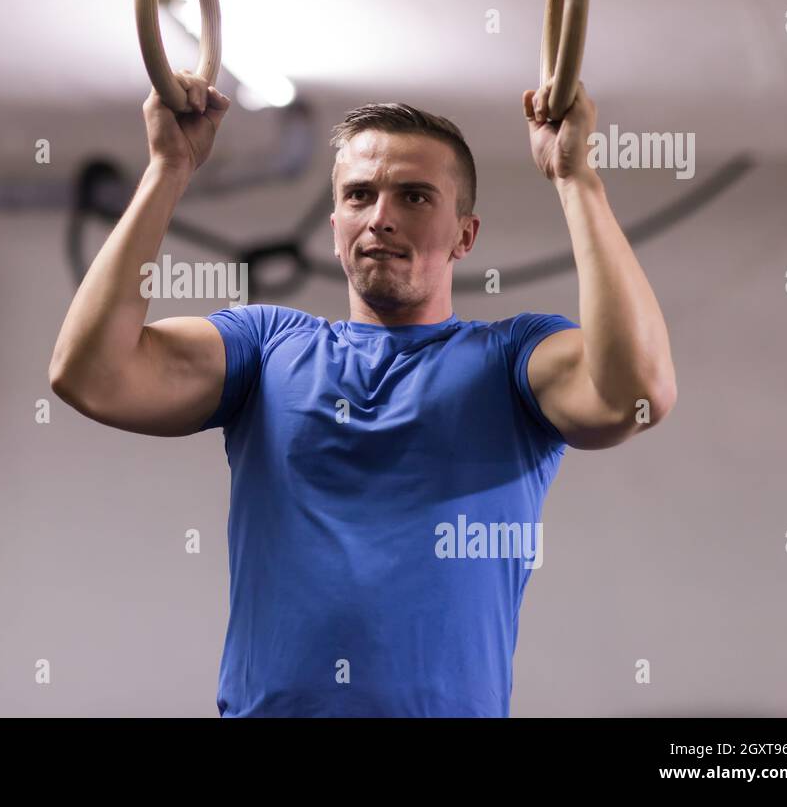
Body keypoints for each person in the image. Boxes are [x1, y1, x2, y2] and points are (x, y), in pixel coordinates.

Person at [49, 69, 677, 717]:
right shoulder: (265, 348)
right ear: (334, 225)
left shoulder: (511, 361)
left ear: (466, 234)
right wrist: (167, 169)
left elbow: (639, 392)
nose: (380, 217)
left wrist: (578, 181)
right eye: (358, 195)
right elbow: (89, 372)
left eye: (413, 196)